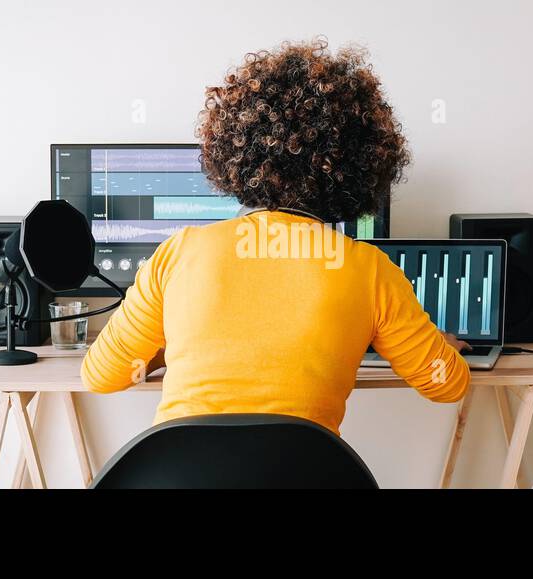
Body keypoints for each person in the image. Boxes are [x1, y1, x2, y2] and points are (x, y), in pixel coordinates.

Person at [81, 39, 470, 435]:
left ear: (234, 154)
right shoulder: (369, 270)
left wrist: (170, 350)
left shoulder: (179, 254)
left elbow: (100, 377)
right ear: (361, 165)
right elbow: (447, 386)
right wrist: (440, 349)